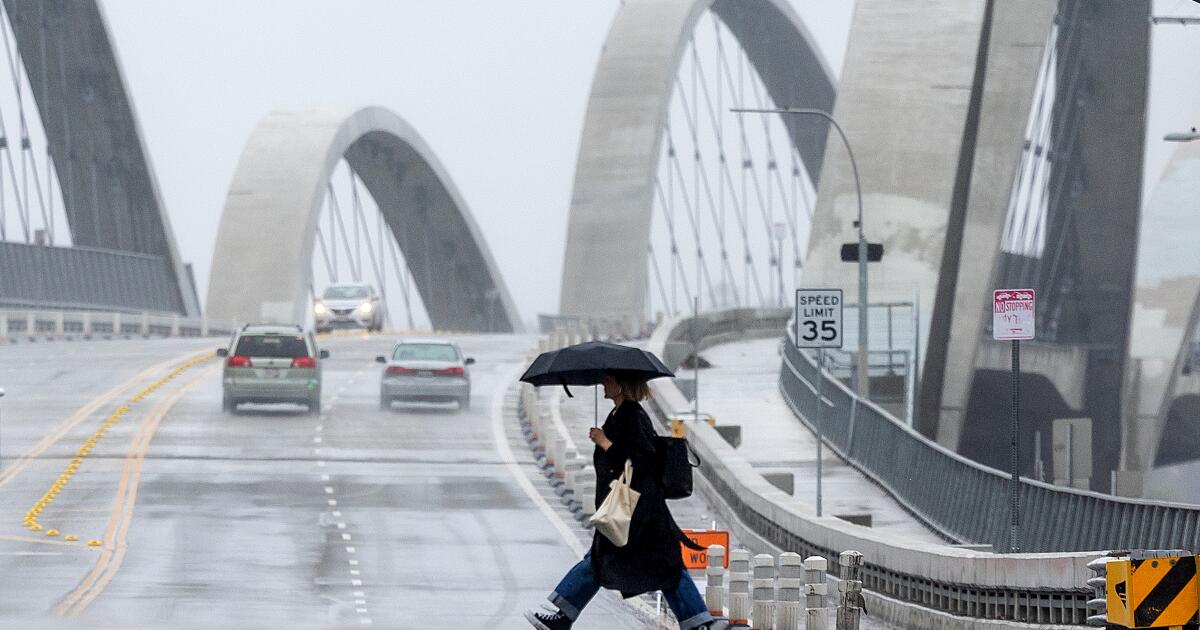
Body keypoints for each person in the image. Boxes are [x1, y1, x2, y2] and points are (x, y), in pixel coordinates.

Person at [524, 370, 728, 630]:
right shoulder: (620, 413)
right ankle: (698, 623)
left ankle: (563, 616)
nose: (602, 385)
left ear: (620, 385)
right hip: (629, 508)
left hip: (639, 511)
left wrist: (605, 442)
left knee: (652, 564)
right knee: (626, 563)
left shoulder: (632, 415)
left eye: (607, 380)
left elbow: (642, 460)